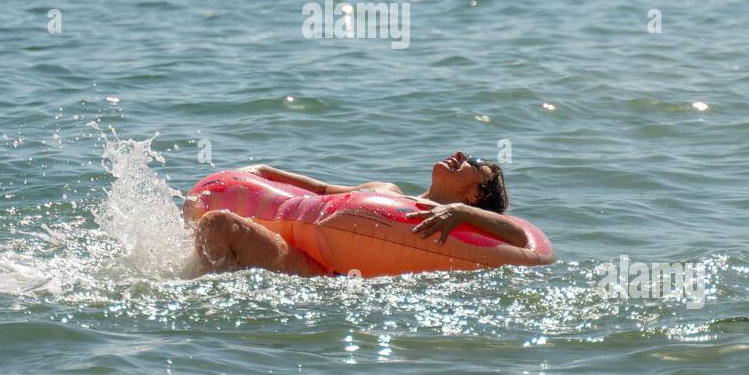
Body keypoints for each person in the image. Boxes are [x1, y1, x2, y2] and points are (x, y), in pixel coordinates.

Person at [187, 151, 525, 276]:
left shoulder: (451, 219)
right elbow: (319, 191)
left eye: (475, 164)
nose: (461, 154)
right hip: (299, 239)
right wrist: (262, 171)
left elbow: (520, 239)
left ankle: (204, 297)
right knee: (212, 223)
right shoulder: (387, 190)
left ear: (478, 194)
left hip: (319, 269)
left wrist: (459, 213)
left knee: (218, 225)